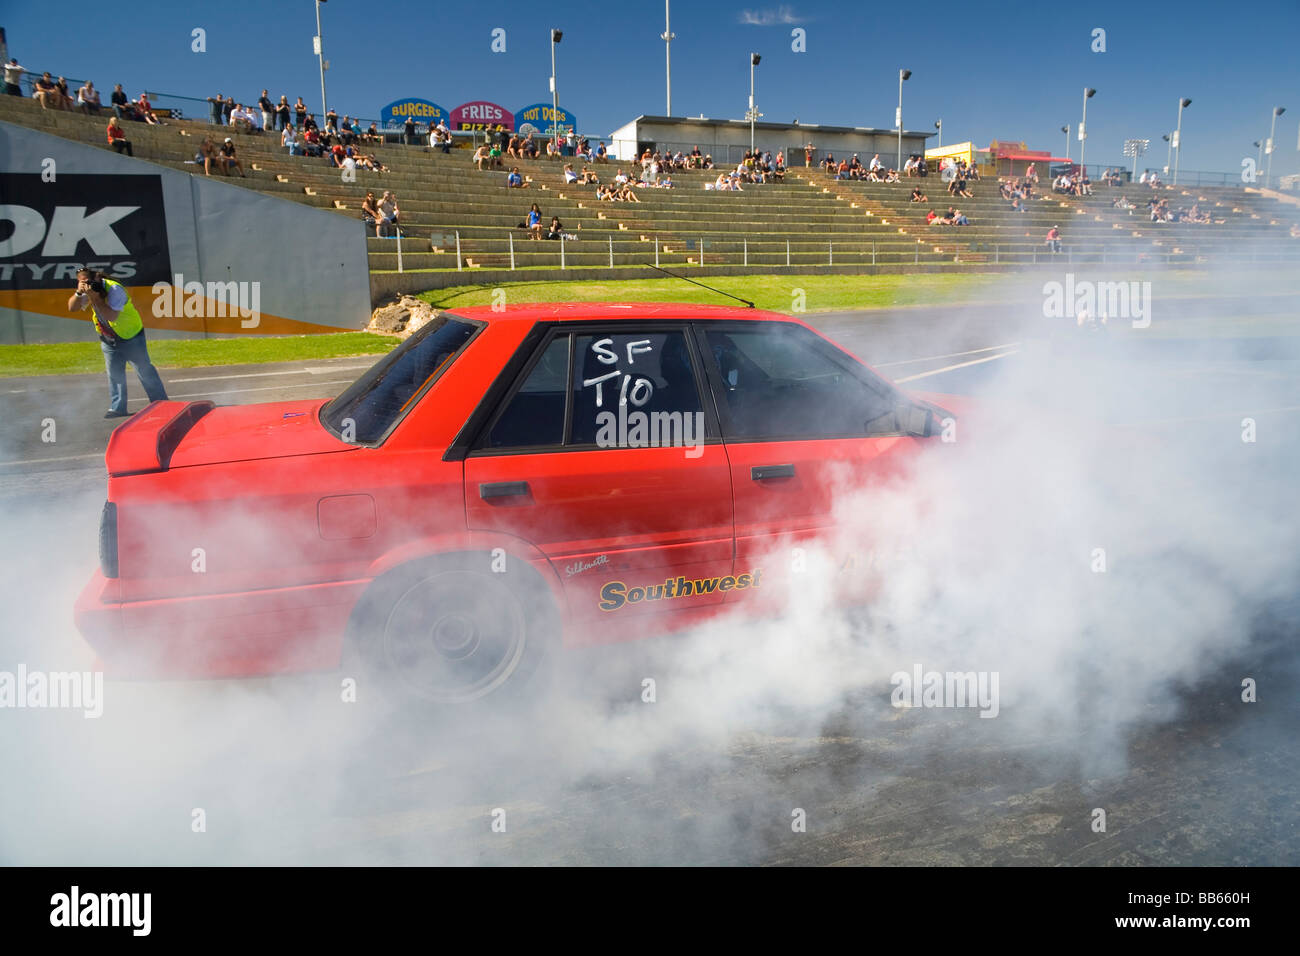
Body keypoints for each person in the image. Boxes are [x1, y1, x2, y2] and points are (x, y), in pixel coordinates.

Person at [67, 268, 168, 418]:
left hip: (130, 335)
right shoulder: (88, 291)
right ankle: (117, 407)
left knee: (144, 369)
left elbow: (111, 316)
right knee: (114, 373)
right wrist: (79, 293)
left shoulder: (114, 289)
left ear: (97, 277)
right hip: (108, 337)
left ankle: (161, 403)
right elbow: (72, 308)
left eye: (90, 282)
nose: (88, 285)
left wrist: (95, 298)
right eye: (83, 282)